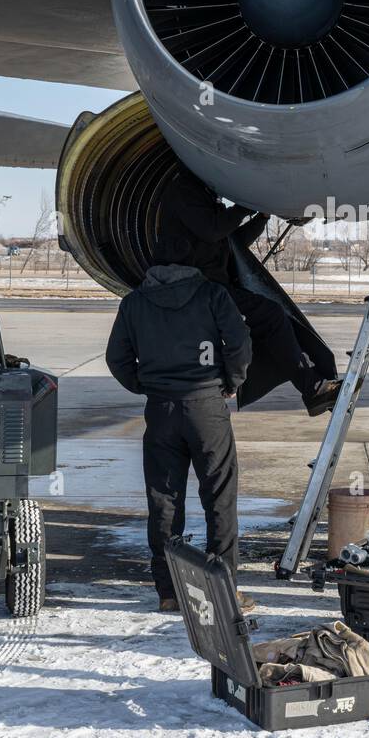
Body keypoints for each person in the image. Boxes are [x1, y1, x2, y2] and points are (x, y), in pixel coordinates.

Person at [105, 234, 255, 614]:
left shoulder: (134, 302)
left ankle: (169, 592)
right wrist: (231, 382)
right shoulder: (213, 294)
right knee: (219, 498)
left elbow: (116, 358)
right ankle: (224, 589)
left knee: (165, 501)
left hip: (161, 410)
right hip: (207, 406)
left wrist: (145, 385)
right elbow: (238, 343)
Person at [157, 165, 340, 416]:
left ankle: (316, 383)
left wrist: (262, 217)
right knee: (271, 315)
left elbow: (233, 242)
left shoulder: (206, 197)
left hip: (210, 287)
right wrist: (244, 206)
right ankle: (312, 388)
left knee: (274, 319)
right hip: (193, 289)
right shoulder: (184, 191)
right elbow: (213, 230)